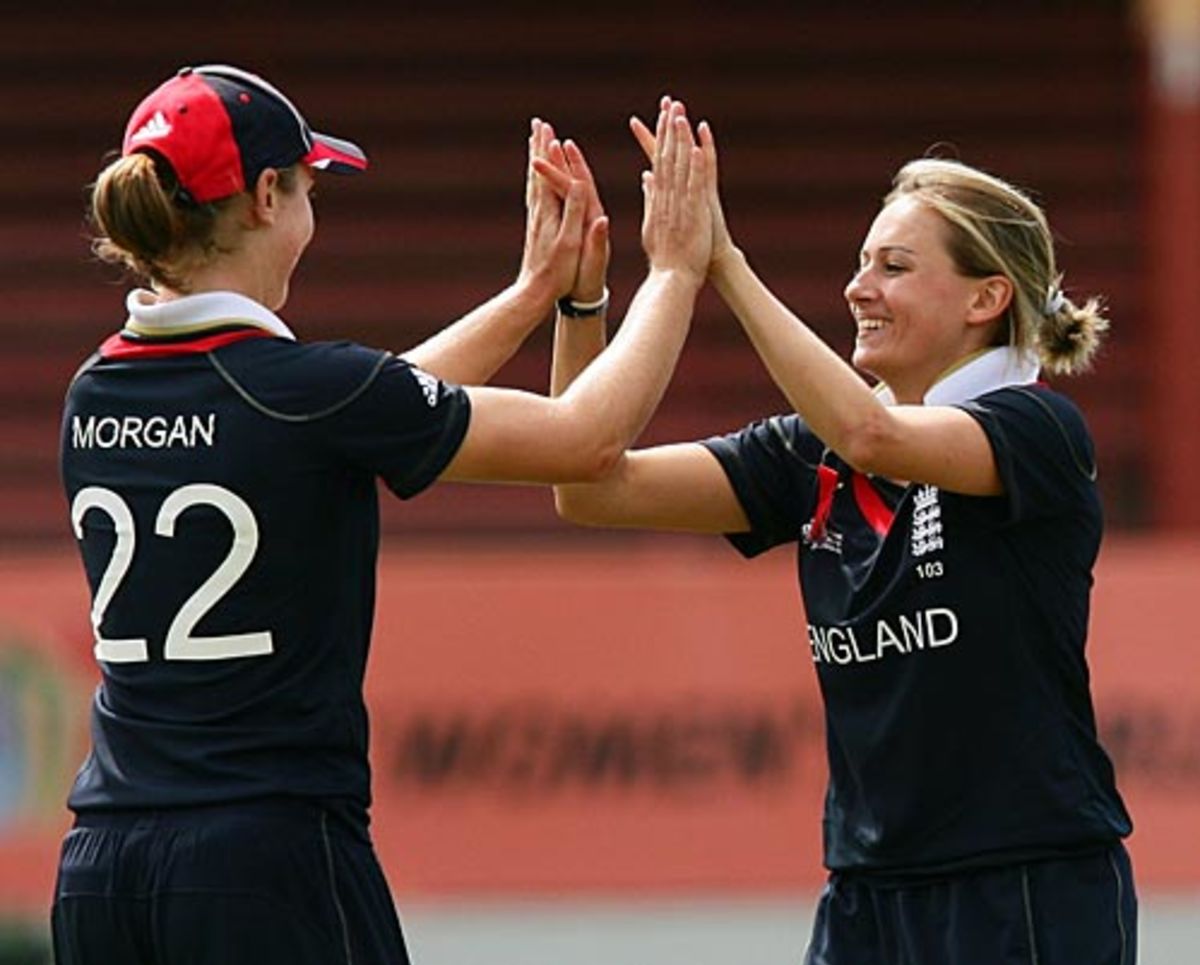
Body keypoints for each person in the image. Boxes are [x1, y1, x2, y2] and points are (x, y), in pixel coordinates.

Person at [55, 66, 711, 965]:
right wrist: (675, 270)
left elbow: (364, 408)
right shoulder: (303, 390)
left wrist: (535, 295)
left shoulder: (94, 391)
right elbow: (585, 439)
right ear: (265, 195)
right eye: (309, 189)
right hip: (265, 860)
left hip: (102, 871)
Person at [542, 98, 1137, 964]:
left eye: (893, 266)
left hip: (1023, 884)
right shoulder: (808, 453)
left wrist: (724, 264)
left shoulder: (1037, 431)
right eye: (862, 263)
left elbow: (876, 435)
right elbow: (589, 487)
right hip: (866, 892)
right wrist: (582, 300)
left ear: (986, 296)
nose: (858, 287)